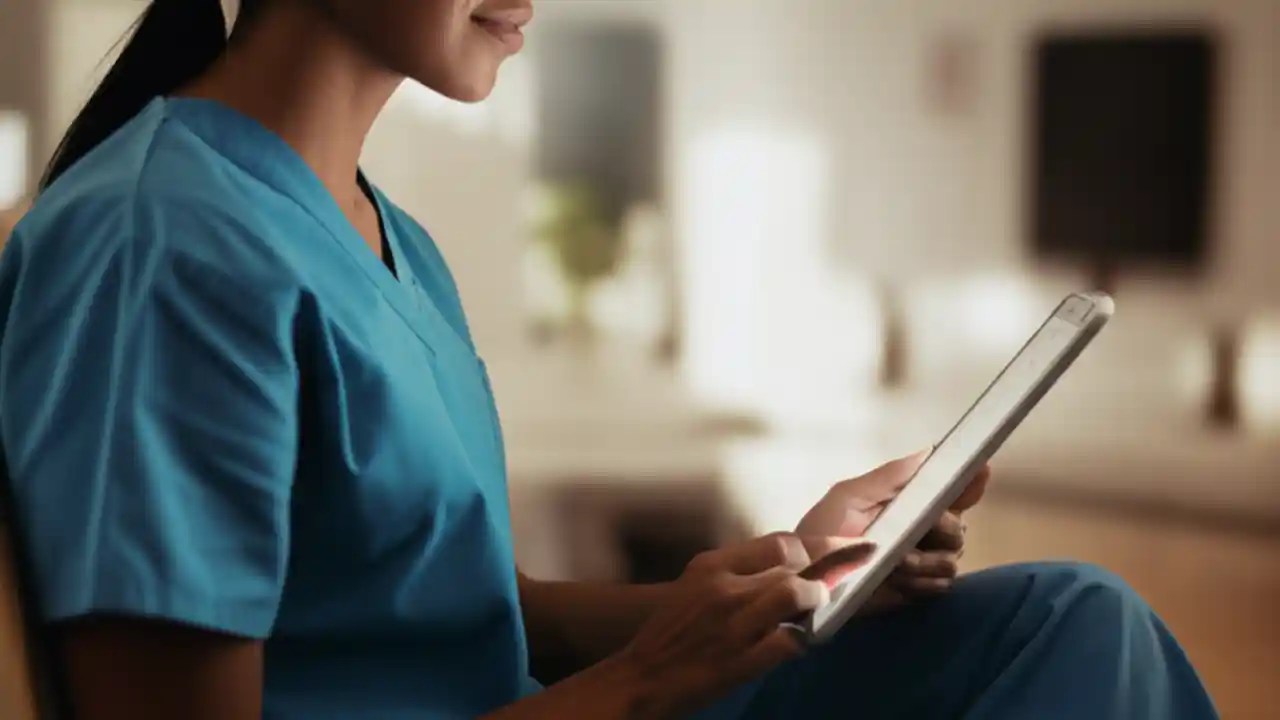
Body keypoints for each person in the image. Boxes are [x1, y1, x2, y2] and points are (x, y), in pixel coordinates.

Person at [0, 1, 1217, 718]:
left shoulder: (389, 240)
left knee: (1063, 620)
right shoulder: (159, 244)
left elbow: (460, 609)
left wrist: (781, 576)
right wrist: (640, 683)